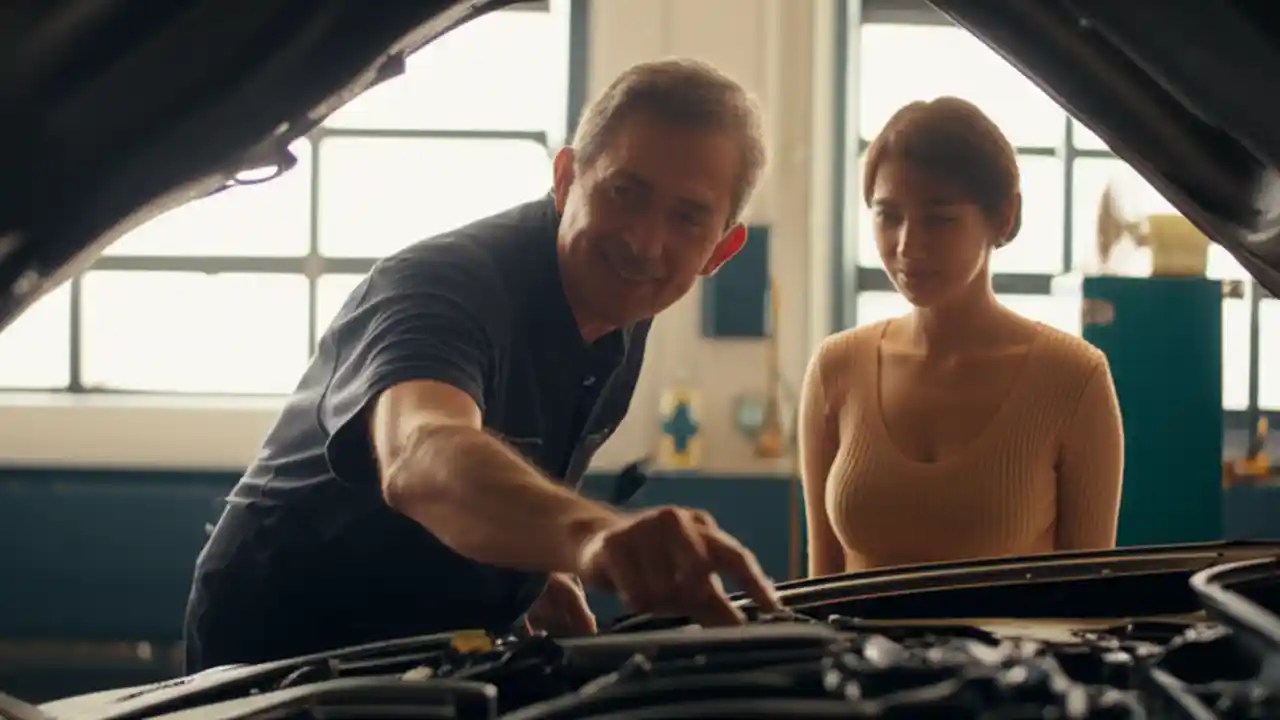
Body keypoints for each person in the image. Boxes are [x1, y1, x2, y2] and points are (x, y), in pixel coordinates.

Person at [183, 57, 782, 671]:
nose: (643, 241)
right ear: (566, 177)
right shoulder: (442, 284)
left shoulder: (626, 300)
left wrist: (528, 563)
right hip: (282, 642)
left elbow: (516, 452)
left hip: (433, 644)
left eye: (687, 217)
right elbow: (421, 452)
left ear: (722, 248)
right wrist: (590, 536)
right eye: (624, 193)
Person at [799, 97, 1124, 576]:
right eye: (889, 216)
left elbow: (1090, 601)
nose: (908, 245)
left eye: (940, 218)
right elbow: (819, 584)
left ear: (1004, 217)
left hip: (1018, 653)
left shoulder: (1075, 379)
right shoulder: (836, 368)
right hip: (855, 652)